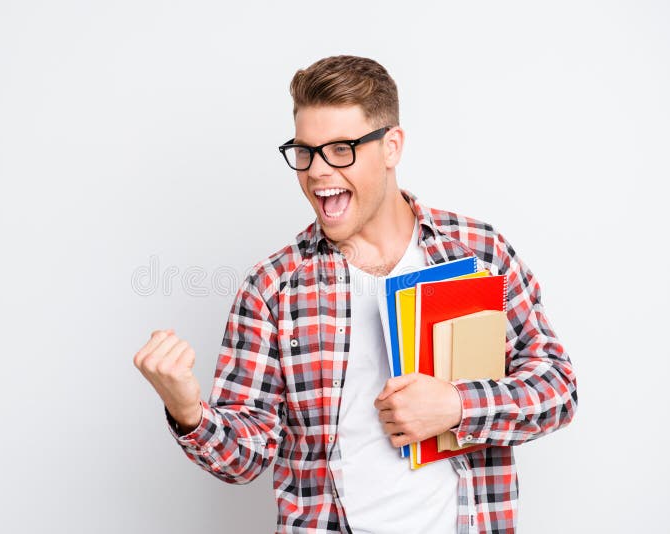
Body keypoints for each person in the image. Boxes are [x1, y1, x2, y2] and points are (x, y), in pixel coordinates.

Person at [133, 55, 577, 534]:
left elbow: (558, 389)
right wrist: (188, 412)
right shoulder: (272, 287)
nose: (318, 172)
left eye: (341, 149)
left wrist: (457, 406)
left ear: (391, 147)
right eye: (305, 152)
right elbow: (245, 459)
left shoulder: (478, 253)